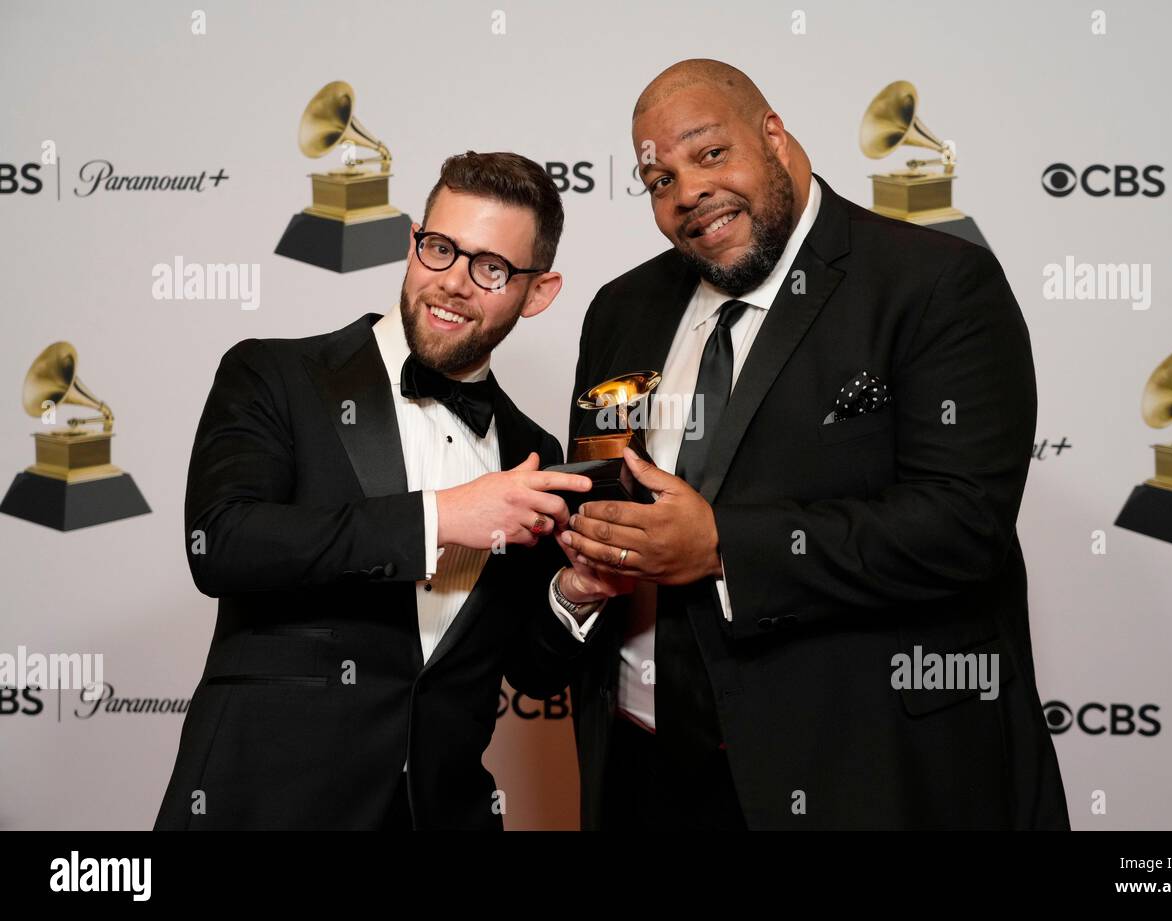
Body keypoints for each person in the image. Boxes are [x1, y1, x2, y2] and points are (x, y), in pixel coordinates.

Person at [552, 59, 1071, 829]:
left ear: (775, 136)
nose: (686, 189)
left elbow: (964, 526)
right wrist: (585, 577)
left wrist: (722, 546)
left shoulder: (934, 284)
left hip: (854, 768)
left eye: (710, 153)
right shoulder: (621, 308)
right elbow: (602, 501)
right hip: (644, 766)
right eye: (659, 179)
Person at [155, 151, 624, 830]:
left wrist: (573, 594)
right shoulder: (275, 374)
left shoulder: (533, 453)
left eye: (491, 268)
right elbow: (222, 543)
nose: (455, 283)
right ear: (413, 242)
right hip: (265, 805)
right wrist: (442, 517)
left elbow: (529, 670)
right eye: (440, 249)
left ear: (539, 292)